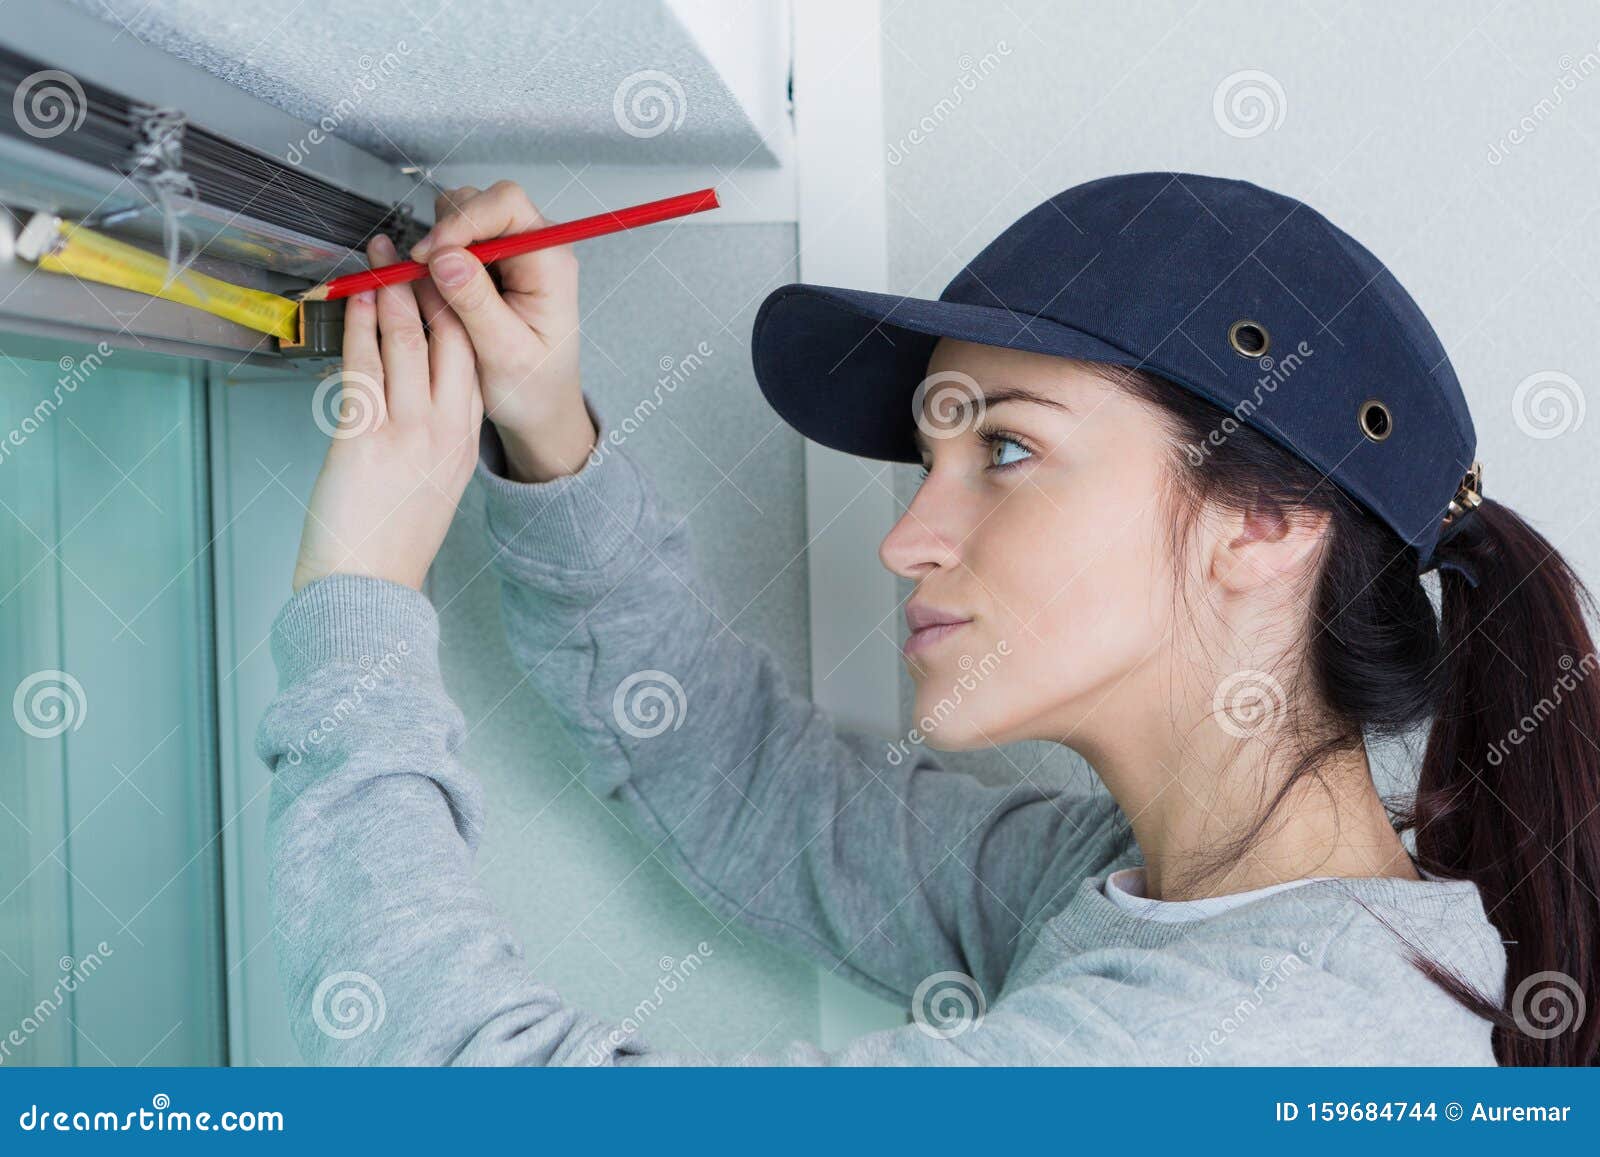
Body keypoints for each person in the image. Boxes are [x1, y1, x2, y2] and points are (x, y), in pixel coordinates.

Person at [257, 172, 1599, 1066]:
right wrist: (543, 424)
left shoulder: (1238, 1045)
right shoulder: (1183, 893)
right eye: (931, 459)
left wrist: (358, 589)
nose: (907, 539)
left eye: (1006, 449)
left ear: (1261, 521)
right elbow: (756, 790)